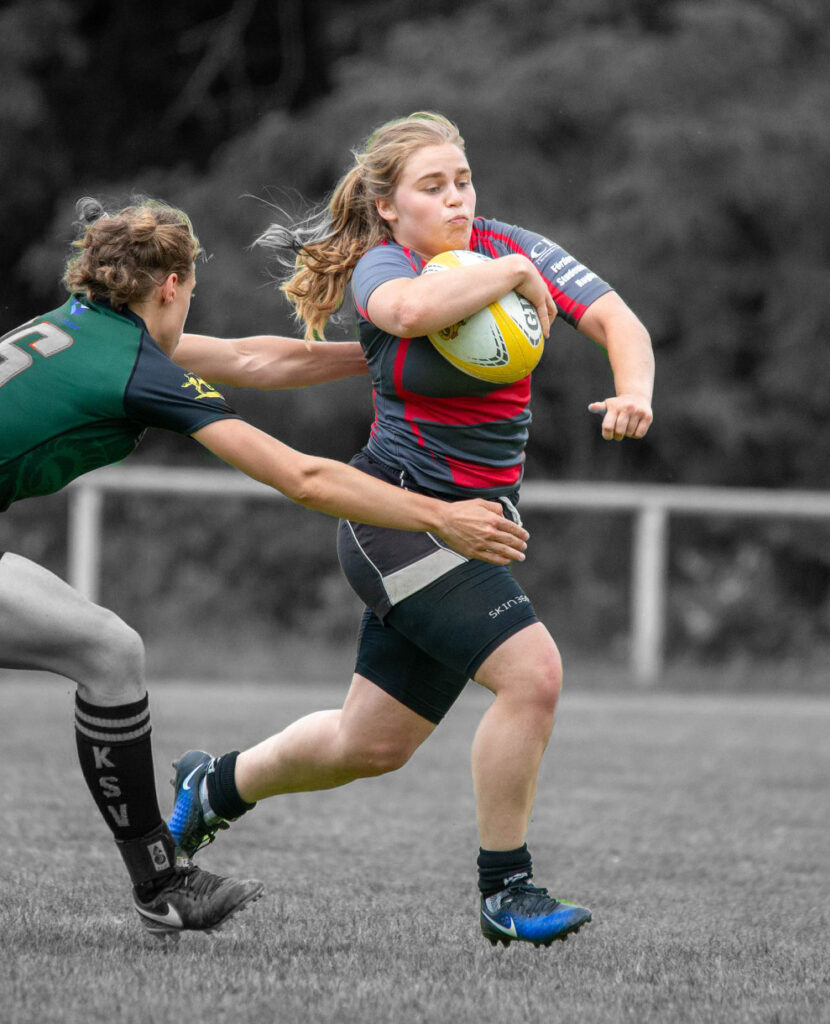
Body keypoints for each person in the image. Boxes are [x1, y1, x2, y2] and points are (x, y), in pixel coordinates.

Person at [168, 111, 654, 947]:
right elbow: (407, 310)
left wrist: (634, 387)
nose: (458, 199)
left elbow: (619, 319)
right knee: (533, 675)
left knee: (370, 743)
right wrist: (510, 277)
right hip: (395, 517)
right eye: (434, 186)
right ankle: (508, 893)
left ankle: (213, 787)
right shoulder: (384, 265)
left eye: (463, 180)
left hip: (474, 524)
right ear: (388, 207)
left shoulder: (506, 245)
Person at [0, 195, 528, 938]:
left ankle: (162, 883)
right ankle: (162, 883)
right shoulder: (133, 366)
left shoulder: (82, 330)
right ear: (173, 287)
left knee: (108, 651)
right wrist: (441, 517)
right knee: (108, 652)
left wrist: (390, 354)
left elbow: (255, 357)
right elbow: (302, 478)